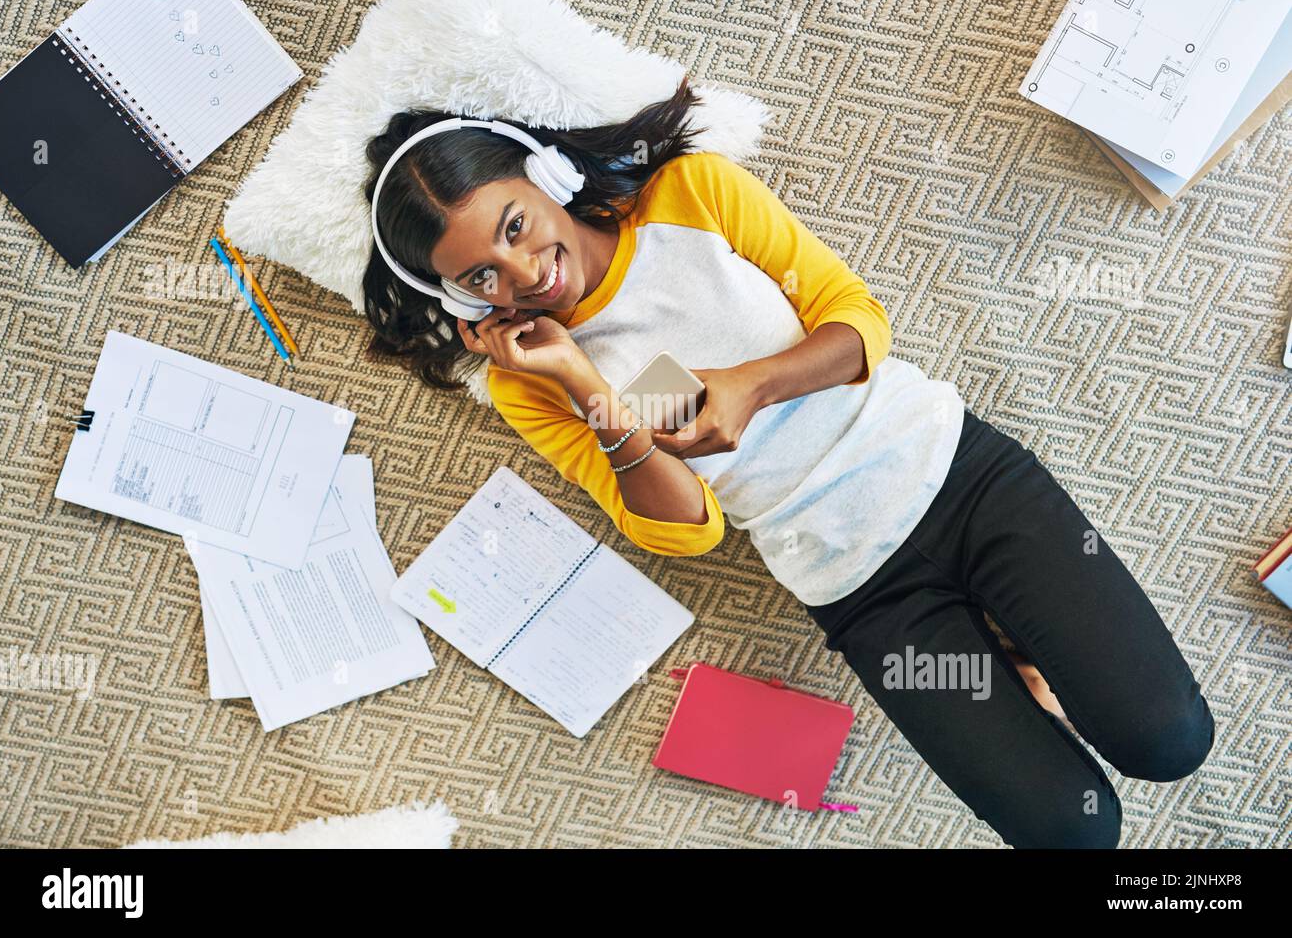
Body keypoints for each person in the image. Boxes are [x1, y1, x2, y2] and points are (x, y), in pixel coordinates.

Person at [360, 77, 1214, 848]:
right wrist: (588, 385)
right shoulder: (530, 384)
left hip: (960, 476)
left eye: (516, 226)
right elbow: (686, 534)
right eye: (483, 274)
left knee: (1171, 742)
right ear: (462, 296)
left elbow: (859, 320)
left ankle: (1024, 641)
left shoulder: (691, 193)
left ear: (545, 176)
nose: (522, 273)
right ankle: (1019, 651)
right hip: (861, 590)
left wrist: (750, 387)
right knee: (1074, 834)